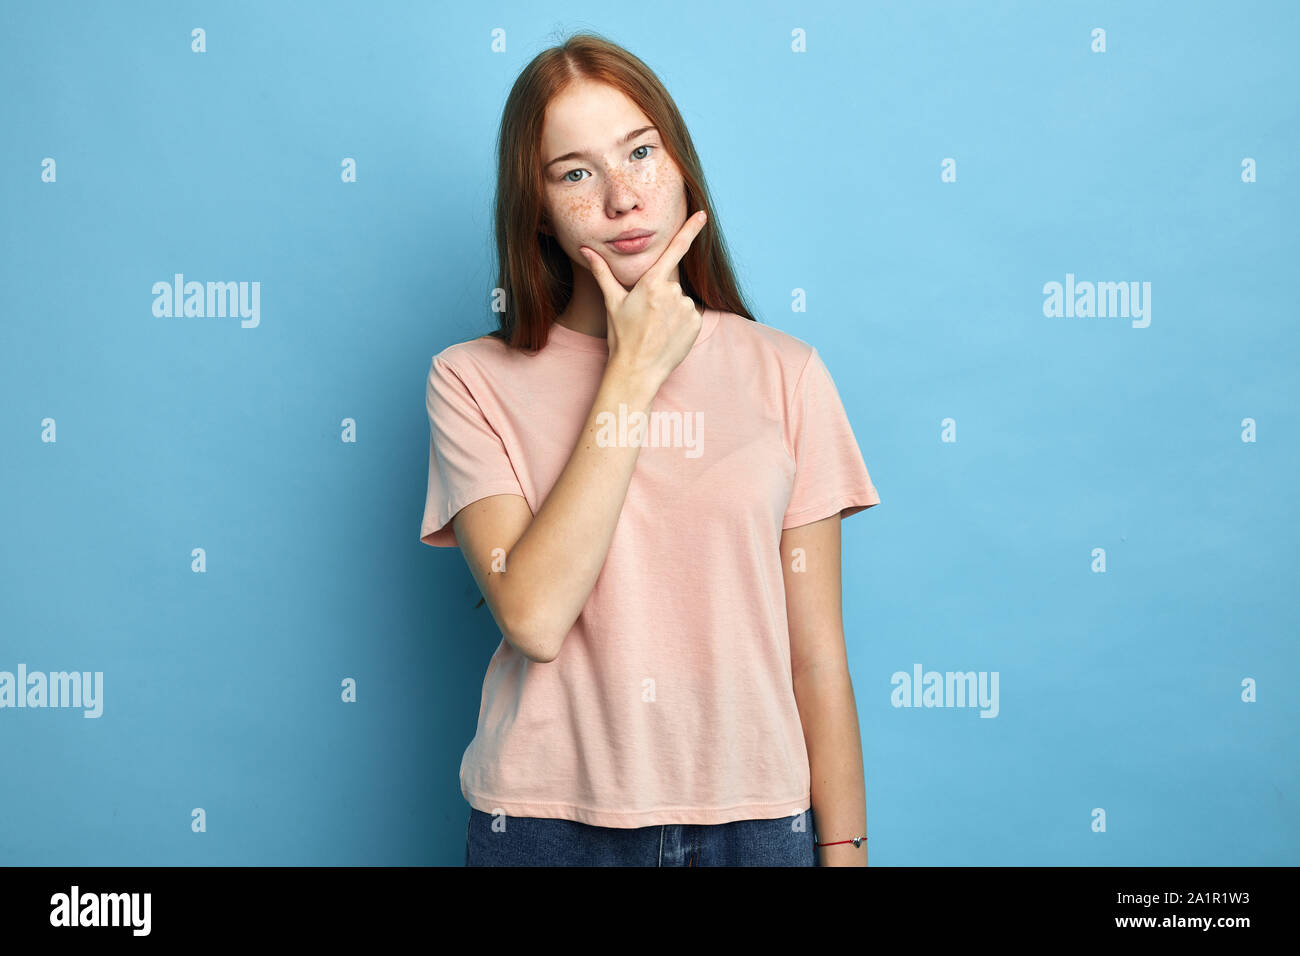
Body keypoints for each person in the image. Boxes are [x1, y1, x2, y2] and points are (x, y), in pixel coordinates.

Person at [420, 32, 882, 866]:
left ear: (681, 165)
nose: (623, 198)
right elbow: (532, 616)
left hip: (759, 820)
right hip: (545, 825)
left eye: (640, 152)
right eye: (575, 172)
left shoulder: (788, 373)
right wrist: (630, 376)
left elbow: (818, 658)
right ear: (537, 209)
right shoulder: (470, 380)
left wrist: (842, 848)